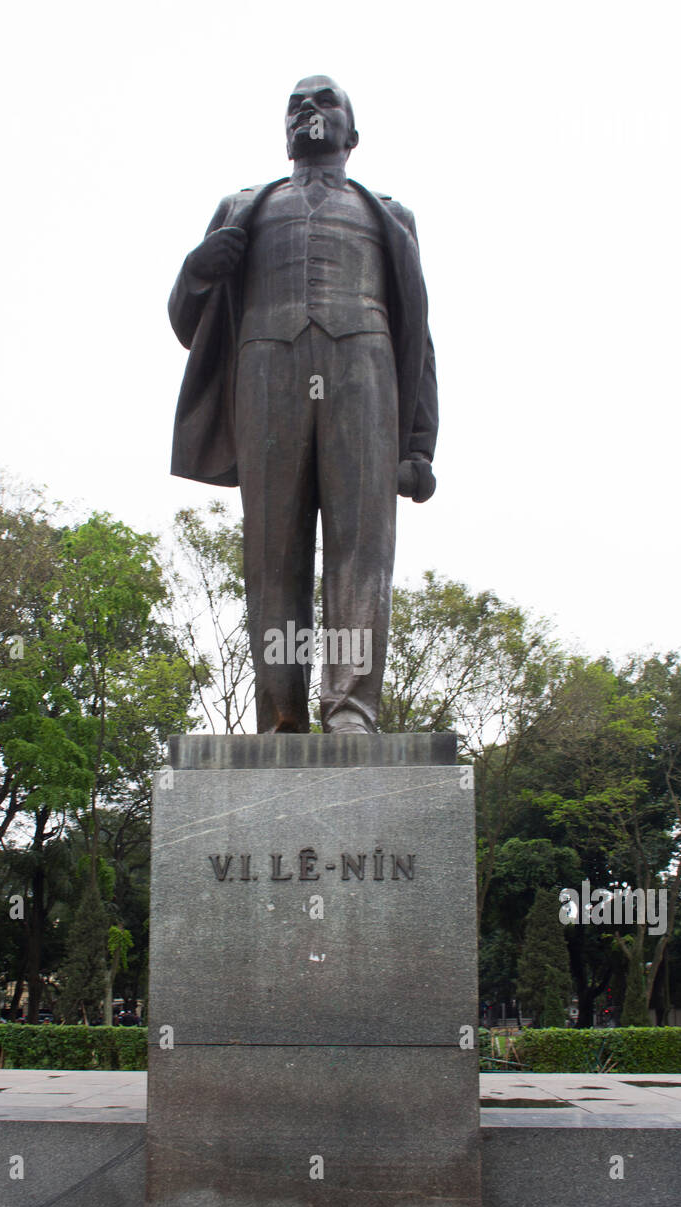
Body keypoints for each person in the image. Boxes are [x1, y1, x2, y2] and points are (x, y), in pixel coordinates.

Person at [168, 75, 438, 733]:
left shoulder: (389, 215)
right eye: (295, 105)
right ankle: (281, 713)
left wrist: (419, 446)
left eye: (324, 102)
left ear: (352, 132)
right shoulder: (242, 207)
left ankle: (350, 707)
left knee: (361, 545)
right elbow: (185, 324)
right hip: (265, 371)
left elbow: (418, 337)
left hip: (364, 371)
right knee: (272, 549)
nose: (308, 111)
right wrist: (197, 268)